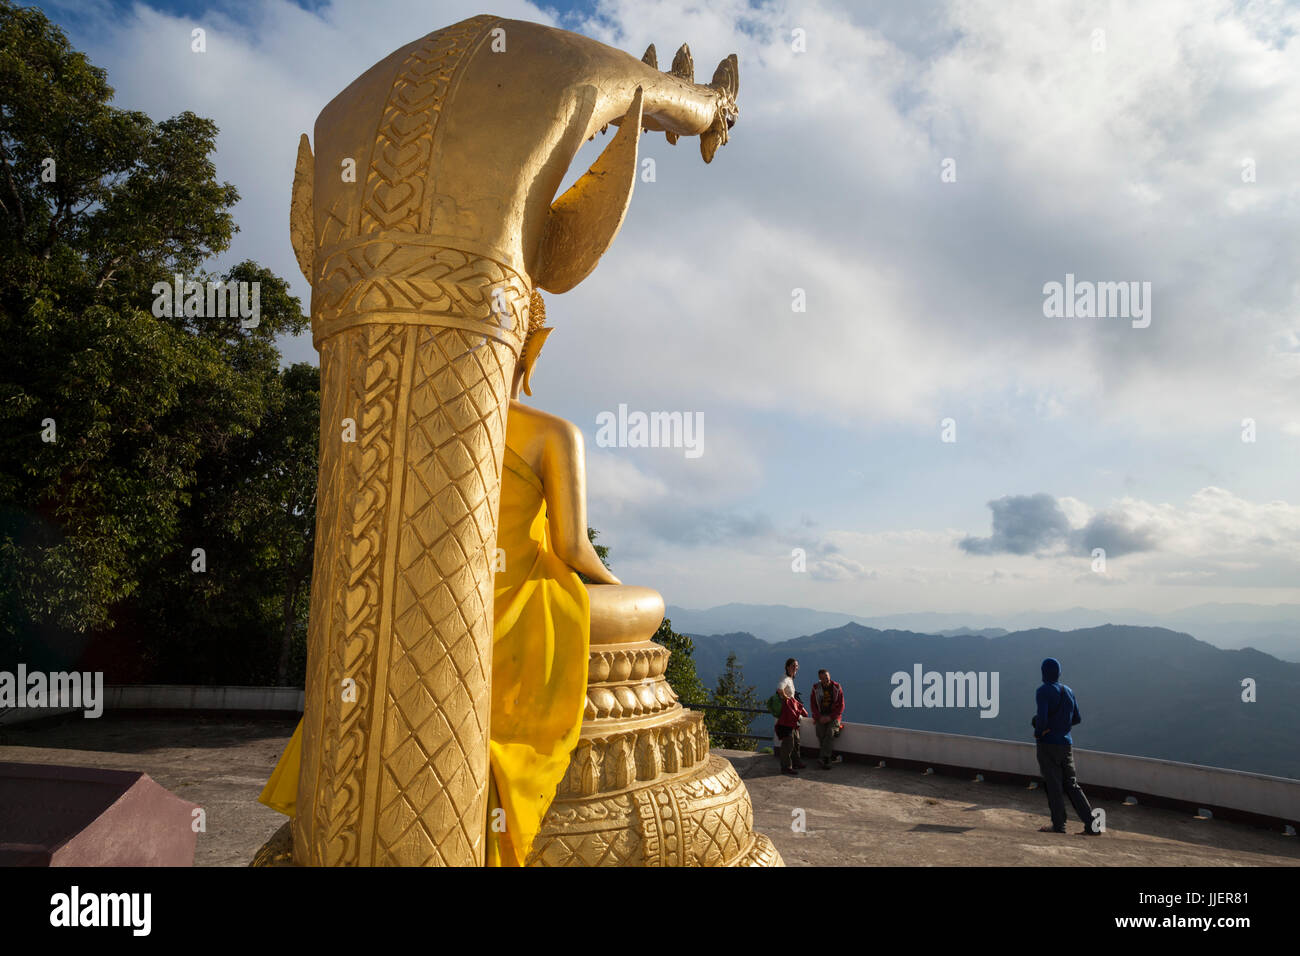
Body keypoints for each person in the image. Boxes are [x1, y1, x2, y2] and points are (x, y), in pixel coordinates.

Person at [258, 292, 619, 865]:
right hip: (518, 601)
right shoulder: (553, 432)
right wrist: (617, 586)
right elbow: (575, 549)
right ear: (531, 346)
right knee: (632, 611)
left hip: (421, 602)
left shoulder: (415, 427)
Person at [1033, 657, 1099, 835]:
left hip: (1048, 746)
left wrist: (1039, 732)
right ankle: (1092, 825)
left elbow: (1042, 719)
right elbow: (1077, 718)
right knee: (1072, 785)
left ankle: (1059, 825)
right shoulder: (1068, 691)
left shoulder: (1043, 691)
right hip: (1066, 745)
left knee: (1054, 786)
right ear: (1059, 673)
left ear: (1043, 673)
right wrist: (1062, 727)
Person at [773, 658, 806, 769]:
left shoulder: (790, 679)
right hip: (787, 715)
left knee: (796, 739)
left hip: (792, 715)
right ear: (787, 667)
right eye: (793, 666)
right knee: (788, 741)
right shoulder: (785, 678)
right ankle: (786, 767)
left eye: (796, 666)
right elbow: (779, 689)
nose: (795, 668)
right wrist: (787, 700)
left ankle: (796, 761)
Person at [809, 668, 844, 769]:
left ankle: (825, 758)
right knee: (820, 732)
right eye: (824, 678)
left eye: (827, 677)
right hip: (821, 716)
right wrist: (819, 717)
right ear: (820, 679)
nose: (826, 680)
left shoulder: (837, 688)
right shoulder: (816, 689)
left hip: (834, 717)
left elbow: (841, 706)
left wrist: (831, 717)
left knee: (830, 732)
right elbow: (813, 705)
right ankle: (826, 759)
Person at [775, 685, 809, 775]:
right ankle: (786, 767)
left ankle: (795, 762)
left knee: (795, 743)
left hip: (791, 725)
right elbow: (804, 713)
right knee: (788, 744)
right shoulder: (786, 700)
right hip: (786, 725)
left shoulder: (791, 699)